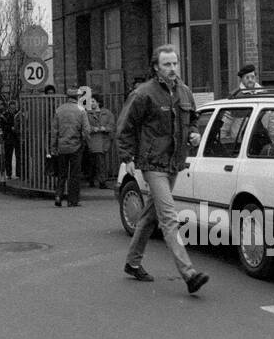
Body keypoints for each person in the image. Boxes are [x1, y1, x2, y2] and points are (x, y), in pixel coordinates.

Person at [119, 45, 210, 294]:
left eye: (175, 63)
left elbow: (192, 119)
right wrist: (126, 157)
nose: (172, 68)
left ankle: (132, 262)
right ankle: (189, 274)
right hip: (152, 163)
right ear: (156, 67)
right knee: (169, 217)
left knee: (150, 215)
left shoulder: (185, 92)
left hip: (174, 162)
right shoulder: (143, 94)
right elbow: (125, 126)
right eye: (167, 64)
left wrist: (194, 133)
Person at [50, 88, 91, 207]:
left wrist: (53, 147)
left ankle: (58, 196)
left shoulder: (59, 110)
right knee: (74, 174)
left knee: (62, 173)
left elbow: (54, 131)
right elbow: (86, 130)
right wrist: (84, 141)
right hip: (76, 146)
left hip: (62, 146)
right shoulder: (81, 110)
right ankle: (72, 200)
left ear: (67, 97)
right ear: (77, 98)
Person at [84, 94, 116, 187]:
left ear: (98, 102)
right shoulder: (87, 113)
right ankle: (101, 180)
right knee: (99, 161)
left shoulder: (107, 113)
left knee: (96, 161)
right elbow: (84, 126)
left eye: (93, 101)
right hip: (93, 139)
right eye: (90, 101)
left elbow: (112, 125)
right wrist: (92, 128)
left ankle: (92, 178)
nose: (91, 103)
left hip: (103, 139)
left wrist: (105, 128)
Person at [0, 100, 19, 179]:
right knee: (8, 157)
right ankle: (9, 173)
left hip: (17, 137)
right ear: (8, 108)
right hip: (8, 137)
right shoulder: (4, 115)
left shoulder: (18, 114)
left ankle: (19, 173)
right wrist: (11, 128)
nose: (13, 110)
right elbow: (3, 126)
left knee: (19, 156)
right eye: (11, 108)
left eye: (14, 108)